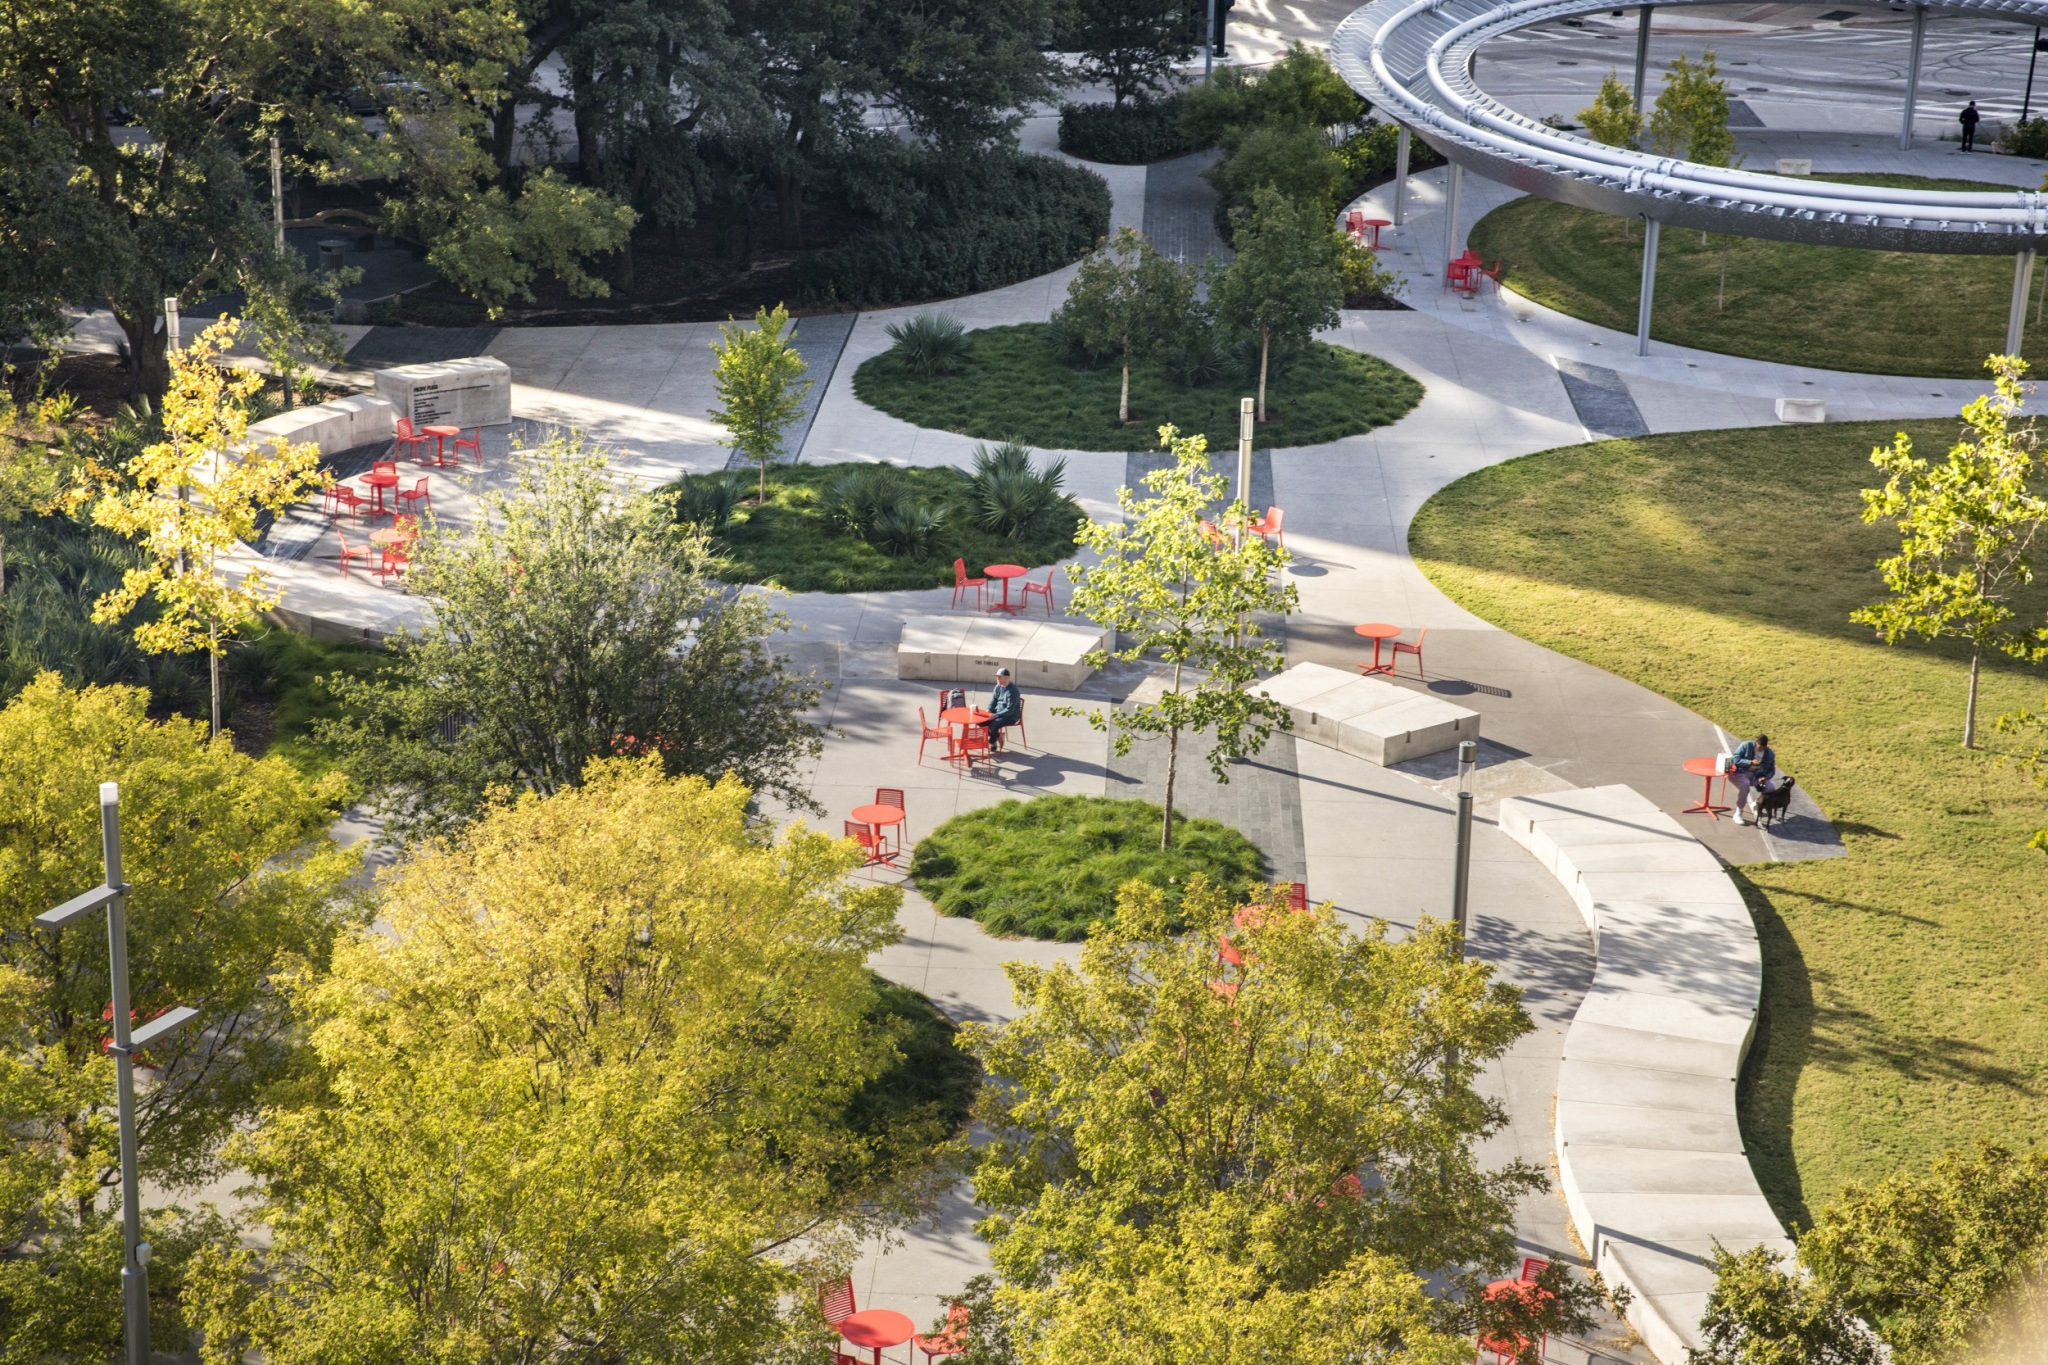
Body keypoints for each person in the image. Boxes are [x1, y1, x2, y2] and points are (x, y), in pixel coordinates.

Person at [1729, 733, 1776, 826]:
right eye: (1759, 747)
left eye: (1763, 748)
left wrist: (1765, 777)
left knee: (1770, 788)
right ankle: (1738, 813)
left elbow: (1772, 770)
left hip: (1757, 776)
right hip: (1742, 772)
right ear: (1756, 742)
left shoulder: (1770, 754)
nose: (1760, 749)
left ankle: (1757, 803)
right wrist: (1750, 762)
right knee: (1745, 785)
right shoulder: (1746, 745)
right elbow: (1735, 759)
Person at [985, 667, 1022, 751]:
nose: (997, 678)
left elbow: (1010, 710)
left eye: (1000, 676)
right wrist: (989, 709)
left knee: (993, 725)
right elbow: (994, 699)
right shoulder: (998, 687)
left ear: (1007, 677)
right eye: (997, 676)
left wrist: (995, 715)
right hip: (998, 711)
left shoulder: (1013, 691)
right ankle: (998, 736)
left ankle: (992, 741)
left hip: (1011, 716)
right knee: (982, 721)